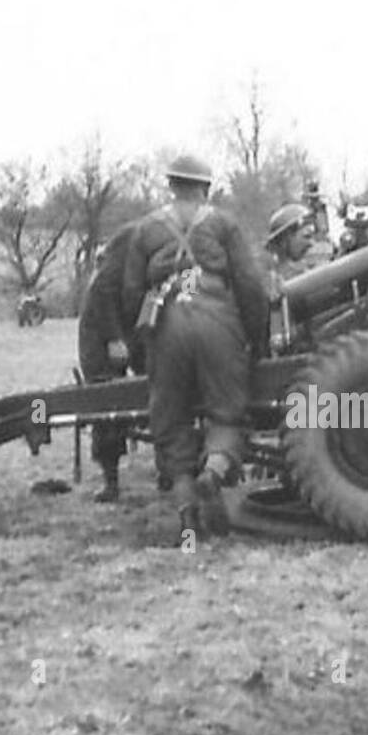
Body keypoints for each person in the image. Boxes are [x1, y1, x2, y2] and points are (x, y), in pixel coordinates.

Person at [121, 155, 269, 538]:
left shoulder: (146, 229)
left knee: (170, 420)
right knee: (227, 411)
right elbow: (251, 287)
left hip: (166, 322)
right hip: (216, 318)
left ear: (171, 185)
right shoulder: (224, 223)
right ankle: (215, 471)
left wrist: (139, 350)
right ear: (205, 187)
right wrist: (258, 341)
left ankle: (187, 512)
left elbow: (130, 292)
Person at [76, 223, 140, 502]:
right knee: (106, 401)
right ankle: (110, 483)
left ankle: (170, 469)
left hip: (128, 328)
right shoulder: (133, 243)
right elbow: (103, 290)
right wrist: (115, 338)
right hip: (99, 335)